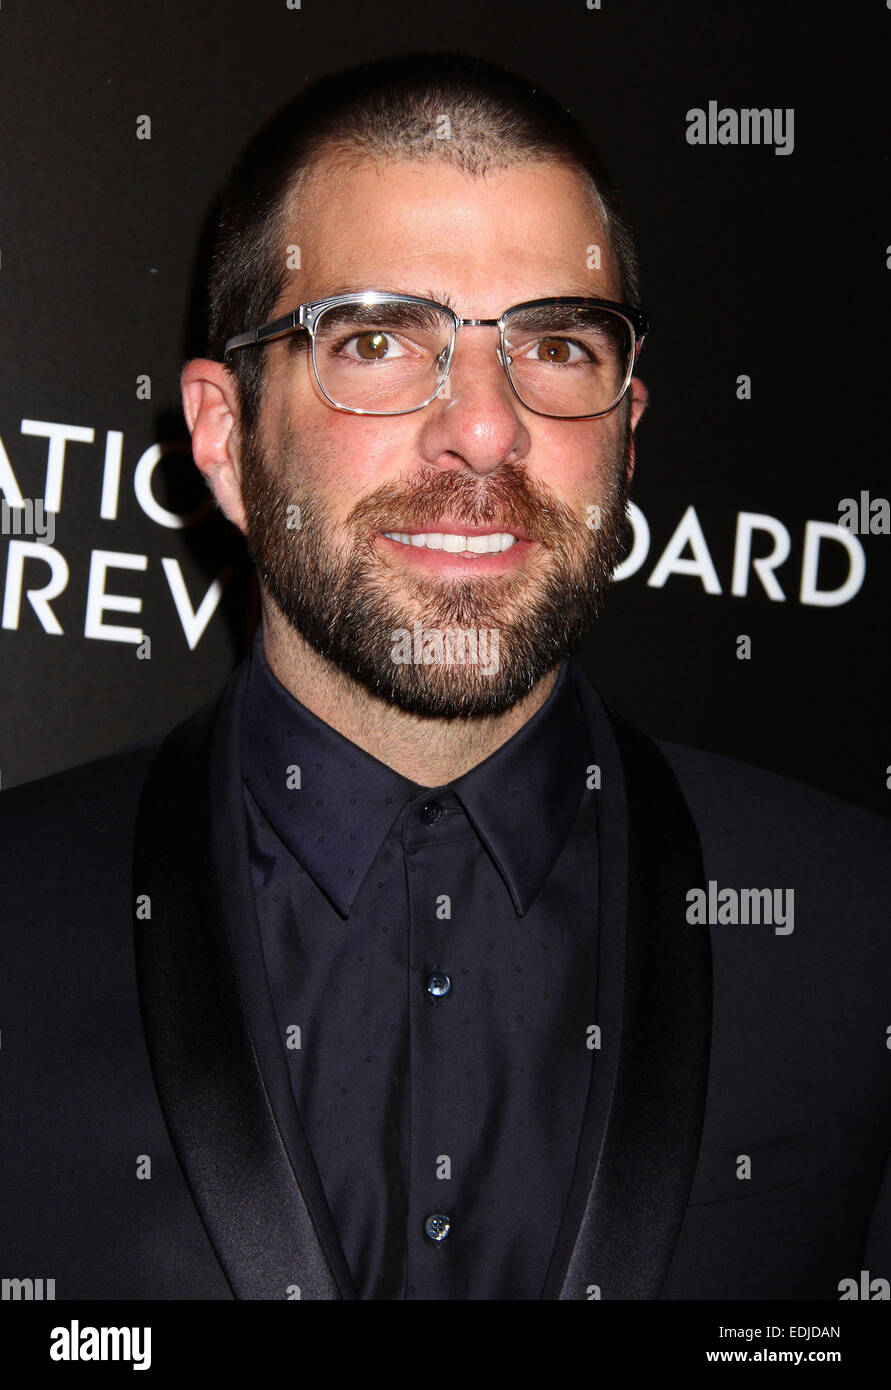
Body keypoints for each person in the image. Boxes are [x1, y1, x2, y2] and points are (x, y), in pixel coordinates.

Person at [1, 52, 889, 1302]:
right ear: (222, 437)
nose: (483, 427)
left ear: (627, 435)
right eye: (374, 338)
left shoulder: (858, 923)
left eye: (559, 346)